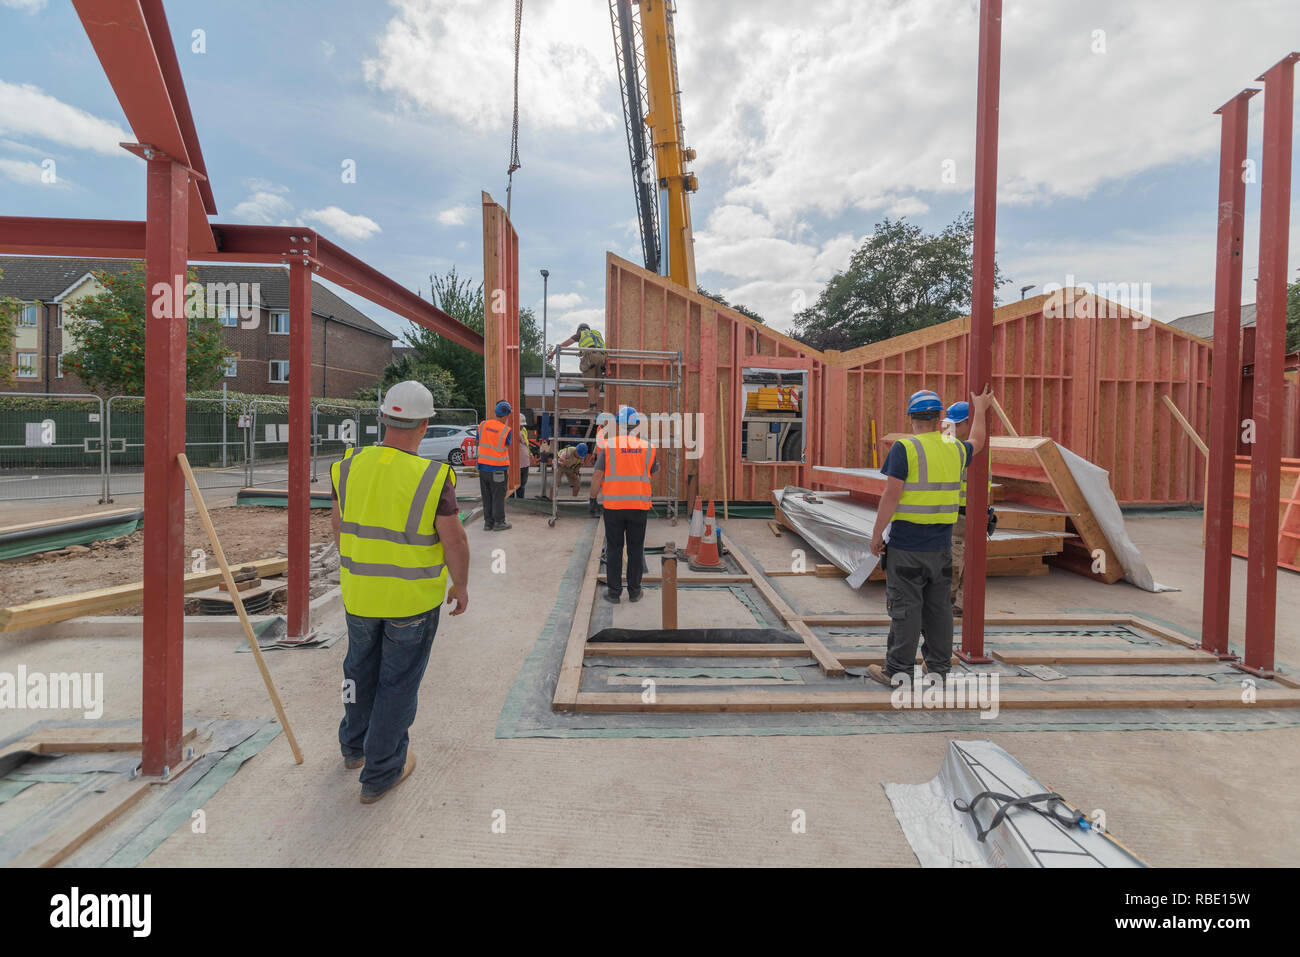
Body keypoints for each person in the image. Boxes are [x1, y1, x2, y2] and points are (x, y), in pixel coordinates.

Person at [329, 380, 470, 804]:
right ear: (424, 425)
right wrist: (460, 585)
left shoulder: (348, 466)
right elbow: (455, 541)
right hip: (411, 603)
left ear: (383, 418)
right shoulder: (432, 476)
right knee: (397, 683)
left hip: (359, 596)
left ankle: (354, 748)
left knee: (358, 672)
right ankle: (382, 771)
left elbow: (338, 526)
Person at [866, 386, 992, 687]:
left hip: (907, 545)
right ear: (939, 419)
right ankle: (938, 669)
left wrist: (876, 534)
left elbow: (892, 495)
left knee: (906, 608)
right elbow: (977, 441)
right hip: (941, 546)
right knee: (939, 610)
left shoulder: (904, 449)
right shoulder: (954, 448)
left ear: (911, 417)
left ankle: (898, 672)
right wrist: (980, 409)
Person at [590, 406, 657, 603]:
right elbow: (653, 470)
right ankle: (635, 592)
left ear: (618, 425)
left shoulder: (609, 446)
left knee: (614, 549)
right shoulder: (648, 447)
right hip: (639, 506)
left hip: (613, 507)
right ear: (637, 424)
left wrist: (592, 499)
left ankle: (614, 593)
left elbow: (597, 475)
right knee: (636, 549)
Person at [944, 400, 995, 617]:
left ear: (968, 423)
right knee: (956, 562)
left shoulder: (974, 450)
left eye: (958, 424)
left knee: (964, 563)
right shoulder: (955, 447)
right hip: (957, 514)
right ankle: (953, 603)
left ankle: (957, 605)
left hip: (968, 514)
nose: (953, 429)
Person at [548, 322, 606, 407]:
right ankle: (595, 407)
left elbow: (564, 345)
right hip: (603, 357)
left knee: (590, 383)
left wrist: (552, 354)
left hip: (592, 357)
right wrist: (582, 351)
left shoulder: (580, 333)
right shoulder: (596, 333)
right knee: (597, 384)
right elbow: (594, 345)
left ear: (579, 330)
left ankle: (591, 408)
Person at [476, 400, 514, 531]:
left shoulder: (482, 425)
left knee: (486, 496)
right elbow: (506, 446)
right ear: (506, 414)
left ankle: (488, 523)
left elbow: (477, 441)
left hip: (483, 468)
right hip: (498, 469)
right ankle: (499, 522)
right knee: (498, 496)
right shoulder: (506, 430)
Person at [513, 414, 531, 500]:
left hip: (524, 462)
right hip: (515, 463)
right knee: (512, 486)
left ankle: (520, 501)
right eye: (520, 425)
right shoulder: (511, 431)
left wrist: (529, 454)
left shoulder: (523, 430)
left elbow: (525, 443)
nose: (522, 427)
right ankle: (511, 502)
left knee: (522, 484)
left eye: (523, 425)